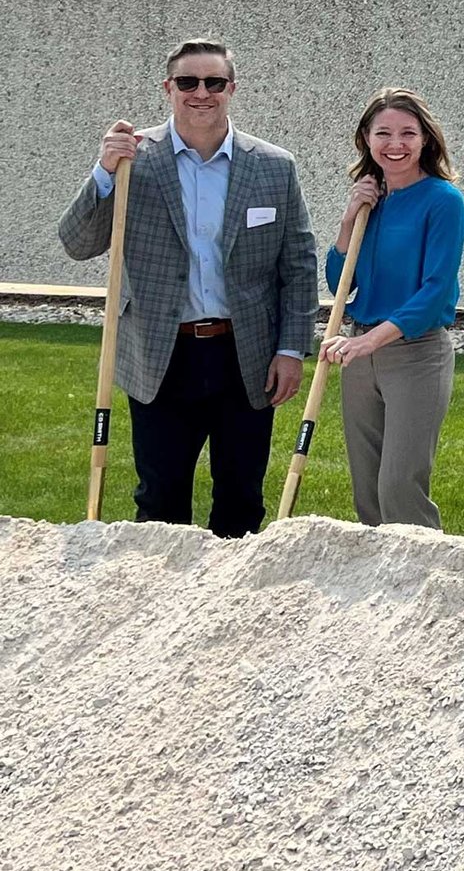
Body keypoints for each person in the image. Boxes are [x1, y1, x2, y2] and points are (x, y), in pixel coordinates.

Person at [56, 37, 317, 538]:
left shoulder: (273, 166)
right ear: (168, 88)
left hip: (247, 356)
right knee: (160, 497)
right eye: (188, 82)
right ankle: (158, 603)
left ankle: (228, 605)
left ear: (231, 89)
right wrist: (104, 171)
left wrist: (290, 348)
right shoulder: (135, 160)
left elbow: (299, 265)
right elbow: (77, 242)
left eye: (214, 82)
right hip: (160, 354)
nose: (202, 93)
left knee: (241, 496)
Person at [319, 88, 464, 528]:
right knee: (366, 488)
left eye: (407, 133)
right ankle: (378, 584)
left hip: (416, 352)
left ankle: (427, 575)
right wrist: (349, 218)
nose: (395, 143)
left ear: (426, 140)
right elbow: (341, 283)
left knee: (398, 486)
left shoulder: (443, 201)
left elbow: (435, 292)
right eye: (383, 132)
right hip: (362, 355)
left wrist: (369, 340)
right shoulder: (372, 203)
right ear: (366, 139)